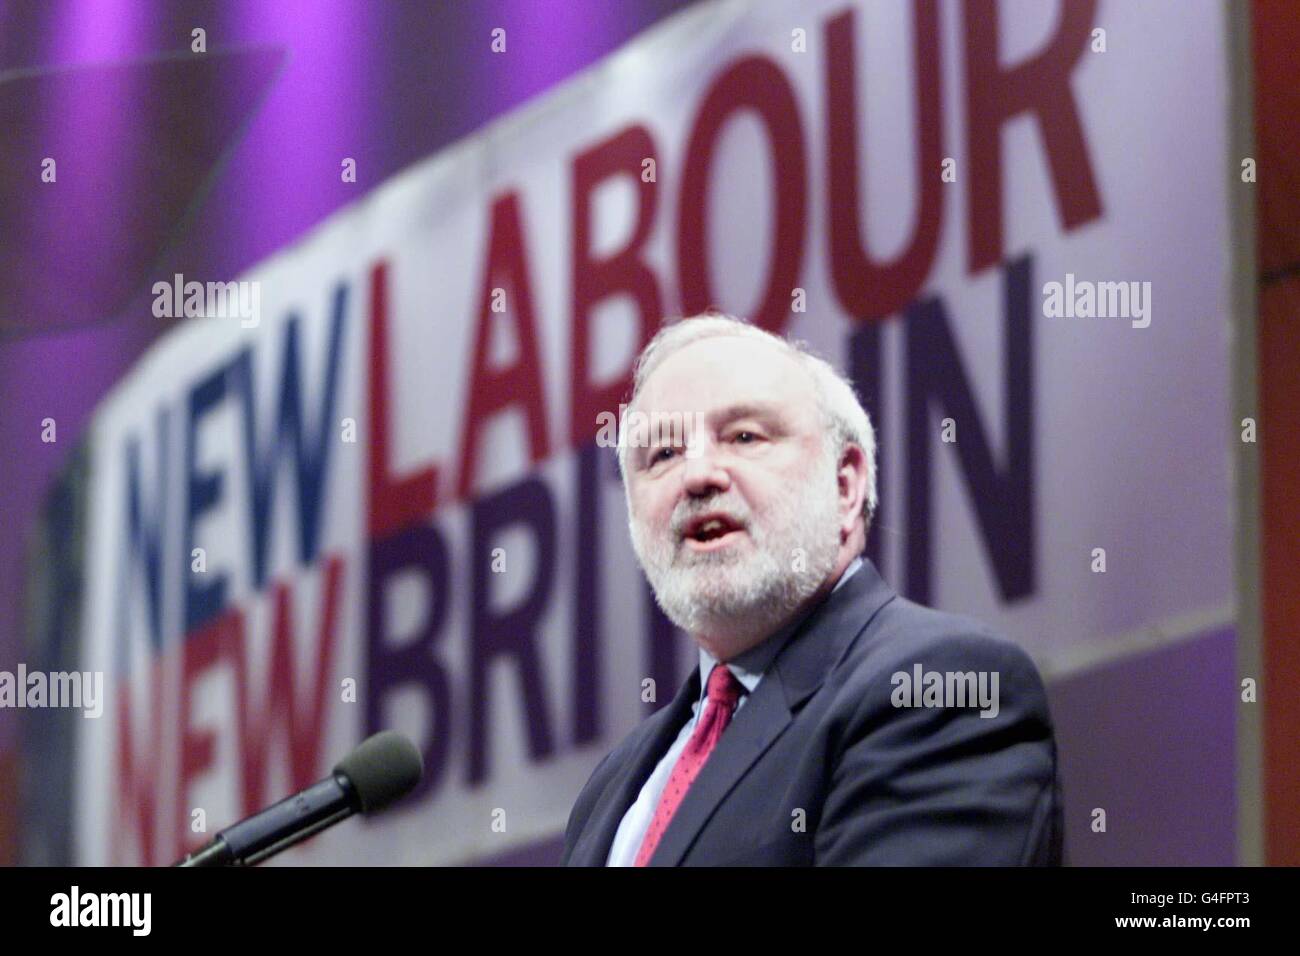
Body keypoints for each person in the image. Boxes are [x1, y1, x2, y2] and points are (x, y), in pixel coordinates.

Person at [560, 312, 1062, 866]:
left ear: (845, 485)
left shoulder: (943, 687)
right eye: (662, 455)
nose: (697, 475)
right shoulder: (612, 787)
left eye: (744, 436)